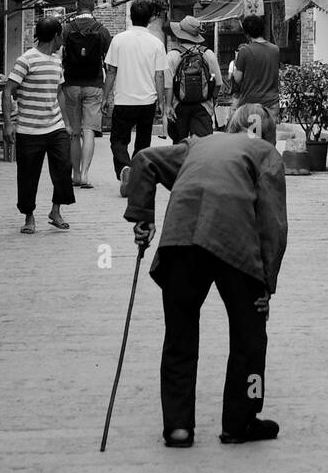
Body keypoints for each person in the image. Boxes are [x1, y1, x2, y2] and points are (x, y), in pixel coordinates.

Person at [121, 103, 287, 447]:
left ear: (231, 124)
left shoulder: (198, 143)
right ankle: (241, 422)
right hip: (234, 243)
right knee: (250, 339)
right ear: (267, 133)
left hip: (180, 240)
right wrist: (266, 285)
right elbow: (273, 223)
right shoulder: (266, 153)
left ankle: (179, 428)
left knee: (179, 337)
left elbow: (145, 159)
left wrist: (143, 217)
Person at [3, 16, 75, 235]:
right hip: (29, 129)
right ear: (55, 36)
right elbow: (7, 91)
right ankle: (29, 216)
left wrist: (67, 123)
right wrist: (8, 123)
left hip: (55, 127)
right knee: (28, 175)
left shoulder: (56, 61)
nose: (62, 39)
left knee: (64, 168)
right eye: (61, 35)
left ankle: (55, 211)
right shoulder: (26, 60)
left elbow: (59, 93)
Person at [102, 0, 168, 190]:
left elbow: (111, 71)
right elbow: (159, 76)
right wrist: (161, 102)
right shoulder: (156, 43)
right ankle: (136, 176)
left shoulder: (119, 40)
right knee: (143, 142)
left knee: (118, 139)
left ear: (131, 17)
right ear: (149, 19)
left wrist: (105, 97)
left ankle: (124, 167)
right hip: (147, 101)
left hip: (124, 100)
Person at [62, 0, 112, 188]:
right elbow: (110, 62)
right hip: (94, 85)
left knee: (74, 132)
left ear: (76, 5)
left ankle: (74, 174)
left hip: (71, 84)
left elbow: (58, 56)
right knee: (89, 130)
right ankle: (85, 175)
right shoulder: (102, 30)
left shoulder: (67, 28)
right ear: (93, 7)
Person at [164, 16, 222, 142]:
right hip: (203, 106)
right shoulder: (208, 54)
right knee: (201, 147)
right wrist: (212, 99)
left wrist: (168, 106)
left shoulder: (172, 55)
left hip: (179, 106)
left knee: (180, 148)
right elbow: (218, 83)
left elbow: (168, 85)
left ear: (179, 35)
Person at [231, 15, 280, 122]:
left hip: (251, 104)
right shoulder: (275, 50)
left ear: (247, 34)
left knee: (252, 137)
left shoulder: (244, 51)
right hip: (272, 103)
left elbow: (237, 78)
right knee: (268, 137)